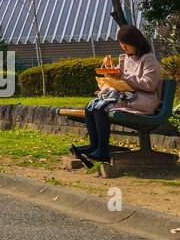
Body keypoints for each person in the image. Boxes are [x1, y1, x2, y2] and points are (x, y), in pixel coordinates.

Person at [69, 24, 163, 168]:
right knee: (91, 107)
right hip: (128, 96)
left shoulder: (148, 59)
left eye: (126, 44)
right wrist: (114, 76)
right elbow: (124, 79)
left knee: (102, 109)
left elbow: (149, 85)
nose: (124, 48)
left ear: (136, 42)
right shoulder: (127, 58)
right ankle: (95, 146)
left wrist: (123, 78)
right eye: (121, 44)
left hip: (144, 99)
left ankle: (102, 151)